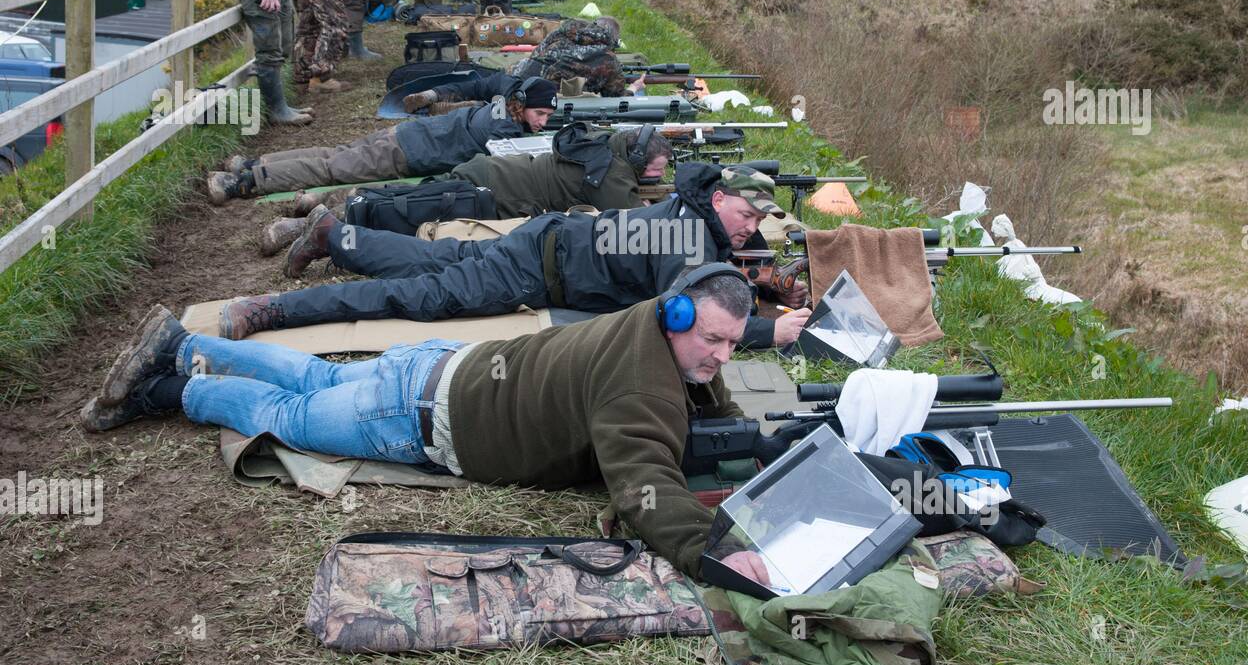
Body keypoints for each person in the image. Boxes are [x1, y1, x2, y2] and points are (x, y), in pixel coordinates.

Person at [79, 268, 773, 583]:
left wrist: (745, 432)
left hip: (434, 369)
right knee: (287, 415)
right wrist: (712, 549)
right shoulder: (639, 383)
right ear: (679, 316)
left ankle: (180, 341)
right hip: (415, 418)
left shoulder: (652, 321)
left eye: (732, 345)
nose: (718, 357)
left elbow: (704, 391)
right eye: (710, 339)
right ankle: (172, 389)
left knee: (315, 376)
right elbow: (643, 484)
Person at [217, 163, 812, 349]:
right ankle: (271, 310)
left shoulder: (692, 220)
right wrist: (770, 331)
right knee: (420, 296)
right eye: (746, 215)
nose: (751, 228)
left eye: (759, 221)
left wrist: (763, 283)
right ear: (718, 198)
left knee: (441, 259)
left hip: (547, 239)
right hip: (536, 267)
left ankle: (335, 236)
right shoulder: (689, 237)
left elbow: (714, 267)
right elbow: (685, 315)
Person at [269, 125, 673, 267]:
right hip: (492, 194)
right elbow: (630, 221)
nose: (657, 176)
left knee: (411, 200)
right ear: (637, 159)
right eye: (655, 169)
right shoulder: (615, 175)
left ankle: (319, 209)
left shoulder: (603, 147)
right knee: (405, 213)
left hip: (491, 176)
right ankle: (300, 226)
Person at [206, 77, 559, 203]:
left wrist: (436, 94)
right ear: (523, 107)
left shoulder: (505, 100)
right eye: (540, 115)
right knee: (331, 168)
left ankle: (254, 163)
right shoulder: (504, 134)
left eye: (547, 118)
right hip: (407, 153)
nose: (542, 123)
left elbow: (486, 83)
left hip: (406, 132)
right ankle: (244, 182)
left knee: (333, 152)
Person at [511, 17, 629, 97]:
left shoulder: (559, 34)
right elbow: (615, 96)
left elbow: (536, 56)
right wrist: (633, 88)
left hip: (519, 84)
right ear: (613, 38)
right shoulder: (608, 57)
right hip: (547, 98)